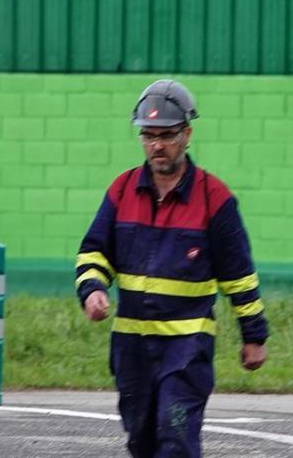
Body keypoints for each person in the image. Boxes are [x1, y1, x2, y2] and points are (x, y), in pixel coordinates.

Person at [75, 79, 268, 458]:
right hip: (130, 345)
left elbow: (238, 274)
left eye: (166, 135)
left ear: (187, 134)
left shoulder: (215, 199)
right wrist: (93, 288)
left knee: (175, 435)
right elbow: (94, 251)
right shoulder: (122, 189)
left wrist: (254, 335)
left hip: (186, 347)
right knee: (141, 440)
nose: (156, 145)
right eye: (148, 136)